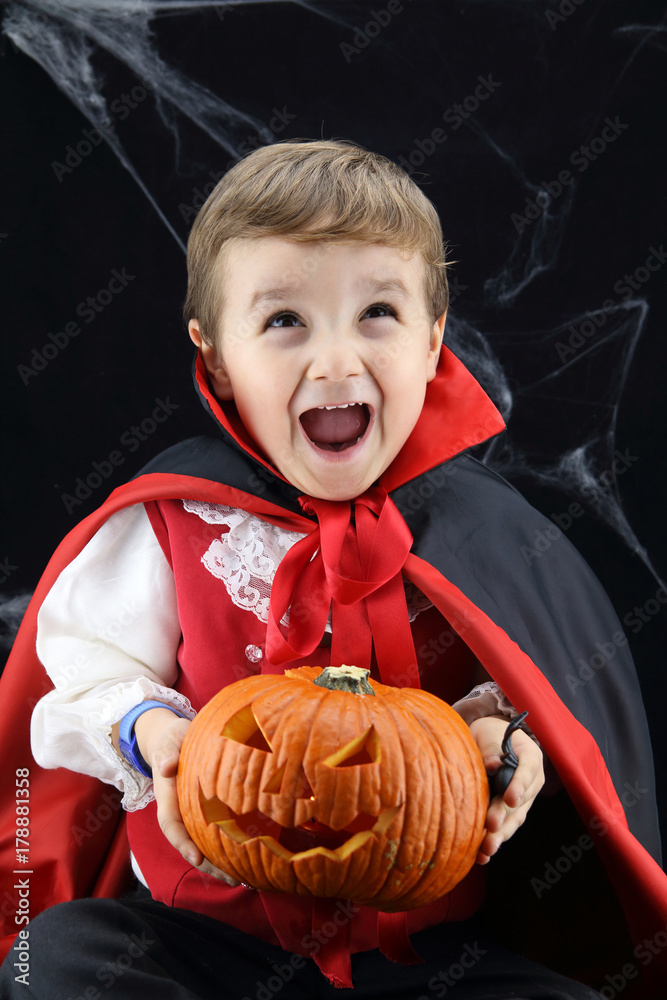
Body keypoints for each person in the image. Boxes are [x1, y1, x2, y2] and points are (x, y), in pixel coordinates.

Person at [0, 139, 665, 999]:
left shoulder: (489, 533)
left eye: (376, 313)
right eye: (285, 321)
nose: (336, 362)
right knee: (58, 961)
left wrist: (506, 744)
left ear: (432, 343)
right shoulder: (173, 521)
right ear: (216, 358)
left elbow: (543, 693)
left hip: (424, 959)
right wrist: (154, 736)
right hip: (204, 945)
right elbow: (86, 671)